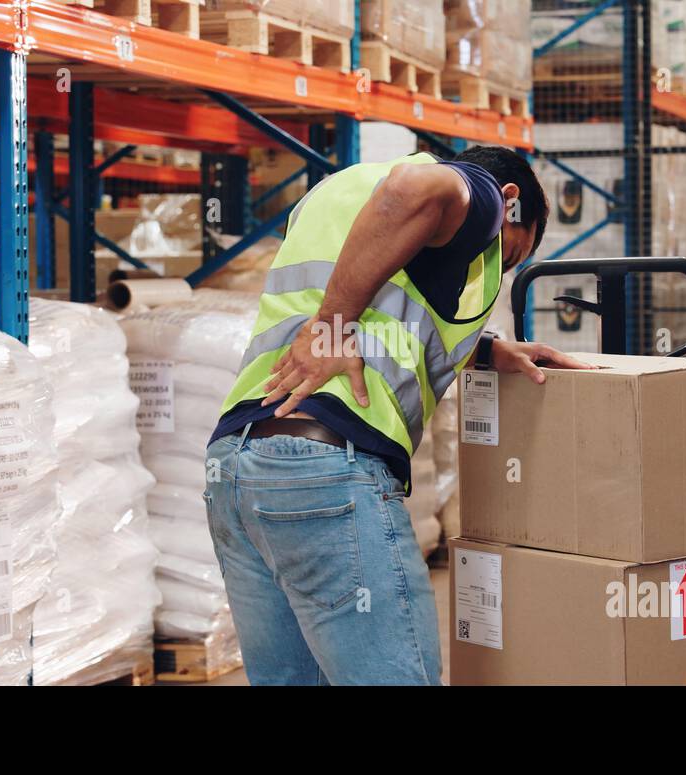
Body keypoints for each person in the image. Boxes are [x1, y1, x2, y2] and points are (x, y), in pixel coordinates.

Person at [203, 146, 592, 685]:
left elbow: (395, 297)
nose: (497, 266)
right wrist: (332, 326)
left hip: (238, 468)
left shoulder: (334, 191)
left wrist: (484, 351)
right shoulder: (476, 193)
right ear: (510, 203)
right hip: (322, 470)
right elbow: (415, 192)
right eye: (509, 253)